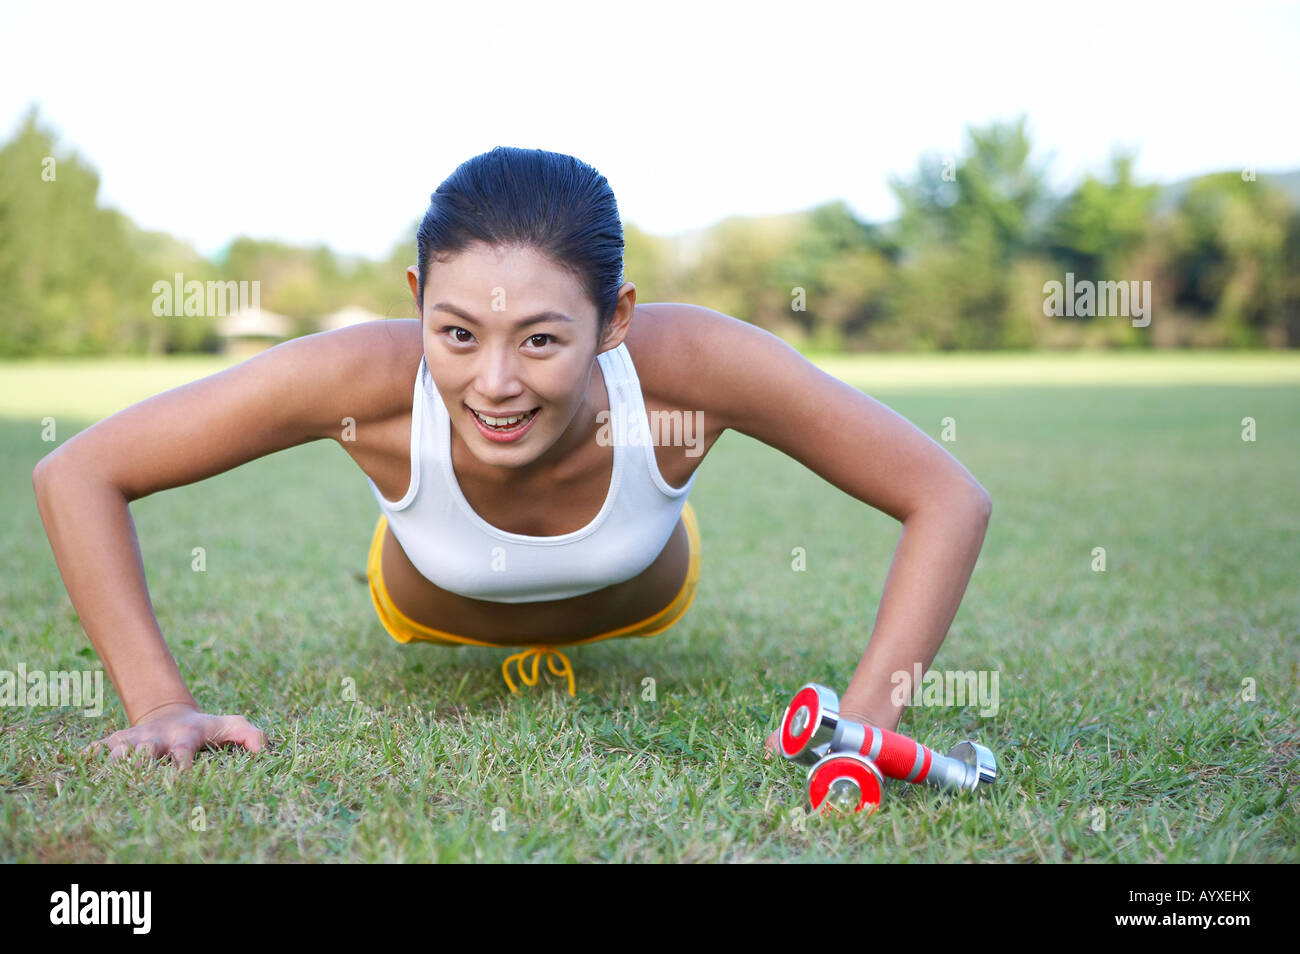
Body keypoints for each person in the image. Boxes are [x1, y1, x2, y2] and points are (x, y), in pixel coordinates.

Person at [31, 146, 991, 770]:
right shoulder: (359, 379)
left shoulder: (692, 364)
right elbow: (76, 472)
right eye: (455, 334)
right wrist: (159, 703)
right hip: (424, 607)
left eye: (540, 340)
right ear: (417, 301)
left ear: (615, 319)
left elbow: (947, 497)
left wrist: (867, 728)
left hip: (647, 590)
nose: (493, 383)